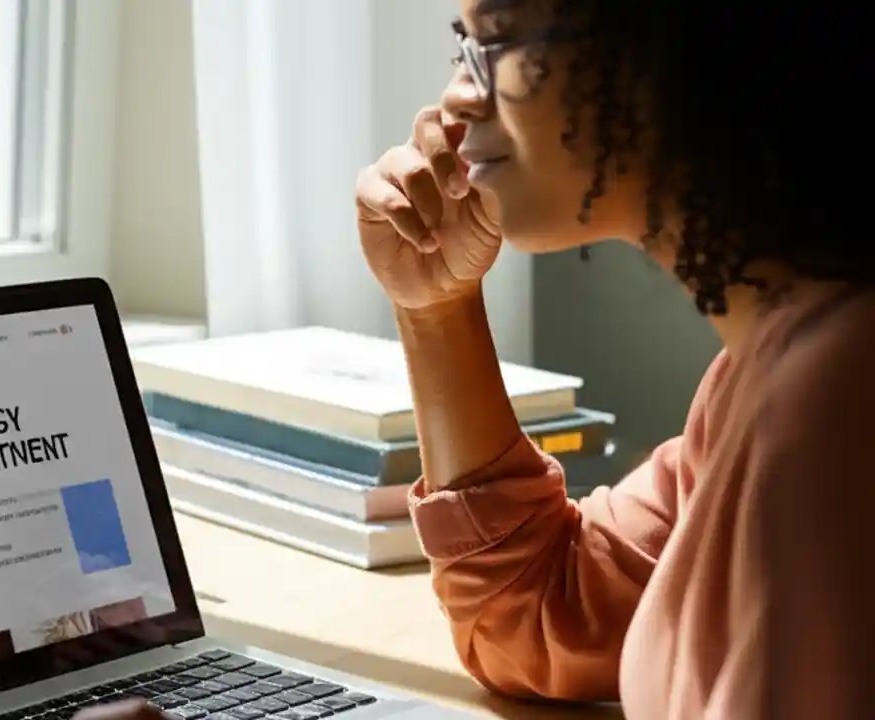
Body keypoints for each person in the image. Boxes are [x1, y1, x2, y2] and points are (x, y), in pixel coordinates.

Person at [79, 0, 875, 717]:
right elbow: (540, 617)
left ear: (668, 47)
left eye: (495, 40)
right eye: (463, 47)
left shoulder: (833, 396)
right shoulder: (761, 372)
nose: (456, 96)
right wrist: (437, 307)